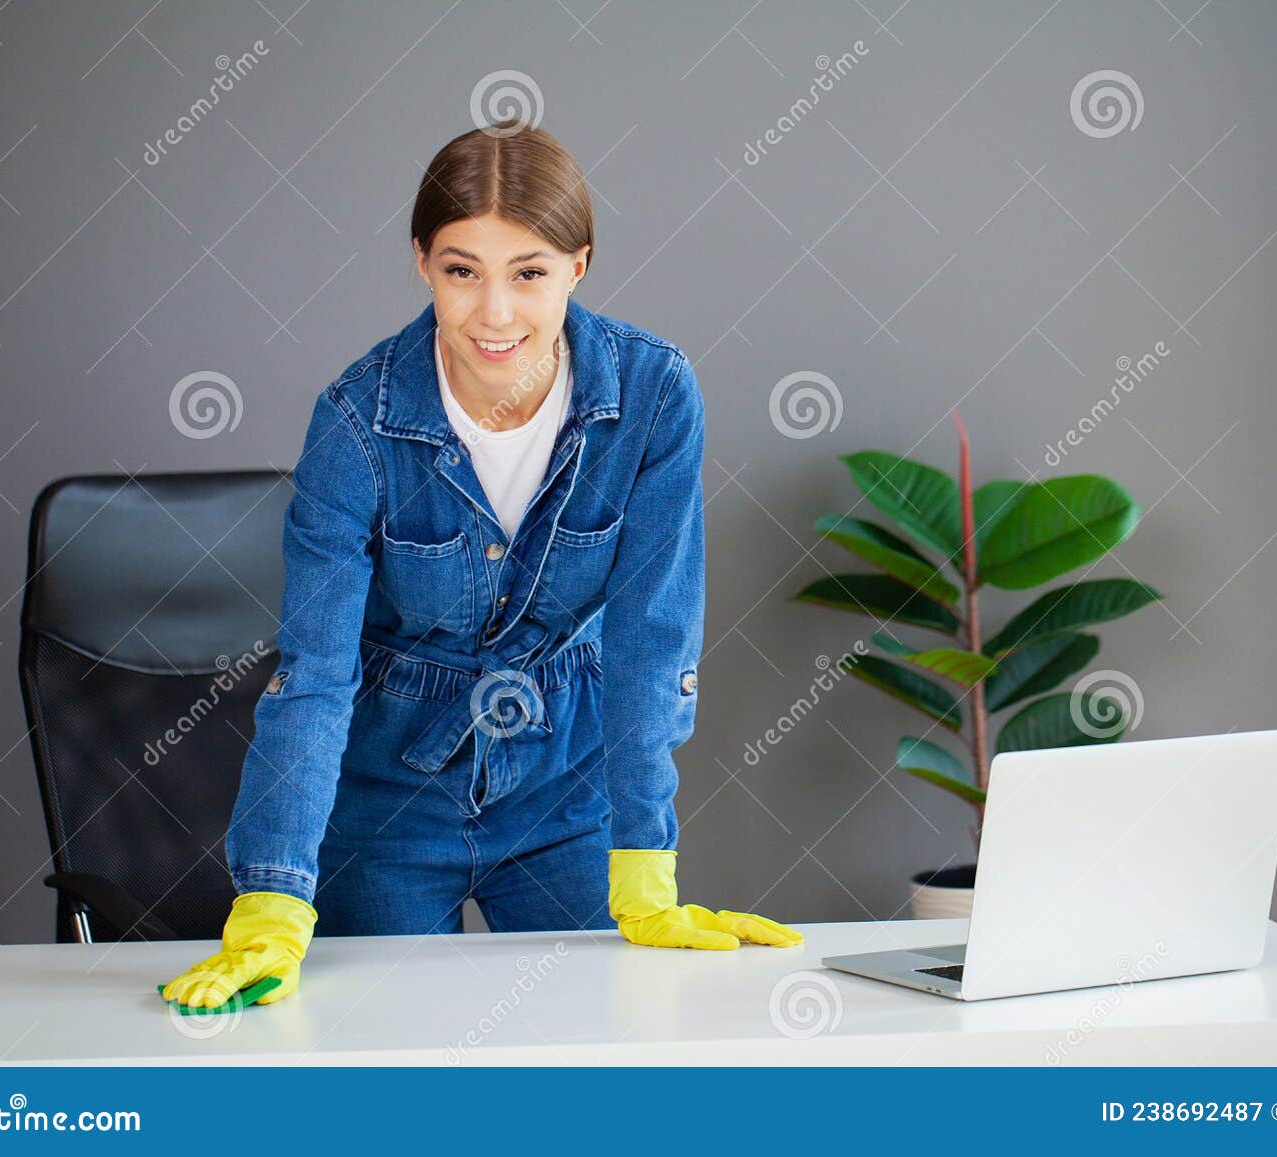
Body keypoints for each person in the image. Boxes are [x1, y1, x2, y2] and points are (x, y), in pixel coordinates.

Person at [161, 117, 800, 1009]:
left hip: (567, 793)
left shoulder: (654, 396)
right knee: (387, 1068)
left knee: (602, 1055)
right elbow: (313, 673)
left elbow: (651, 639)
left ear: (579, 265)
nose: (495, 314)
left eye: (529, 273)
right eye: (463, 270)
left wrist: (646, 857)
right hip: (386, 801)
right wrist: (272, 894)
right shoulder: (356, 422)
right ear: (422, 261)